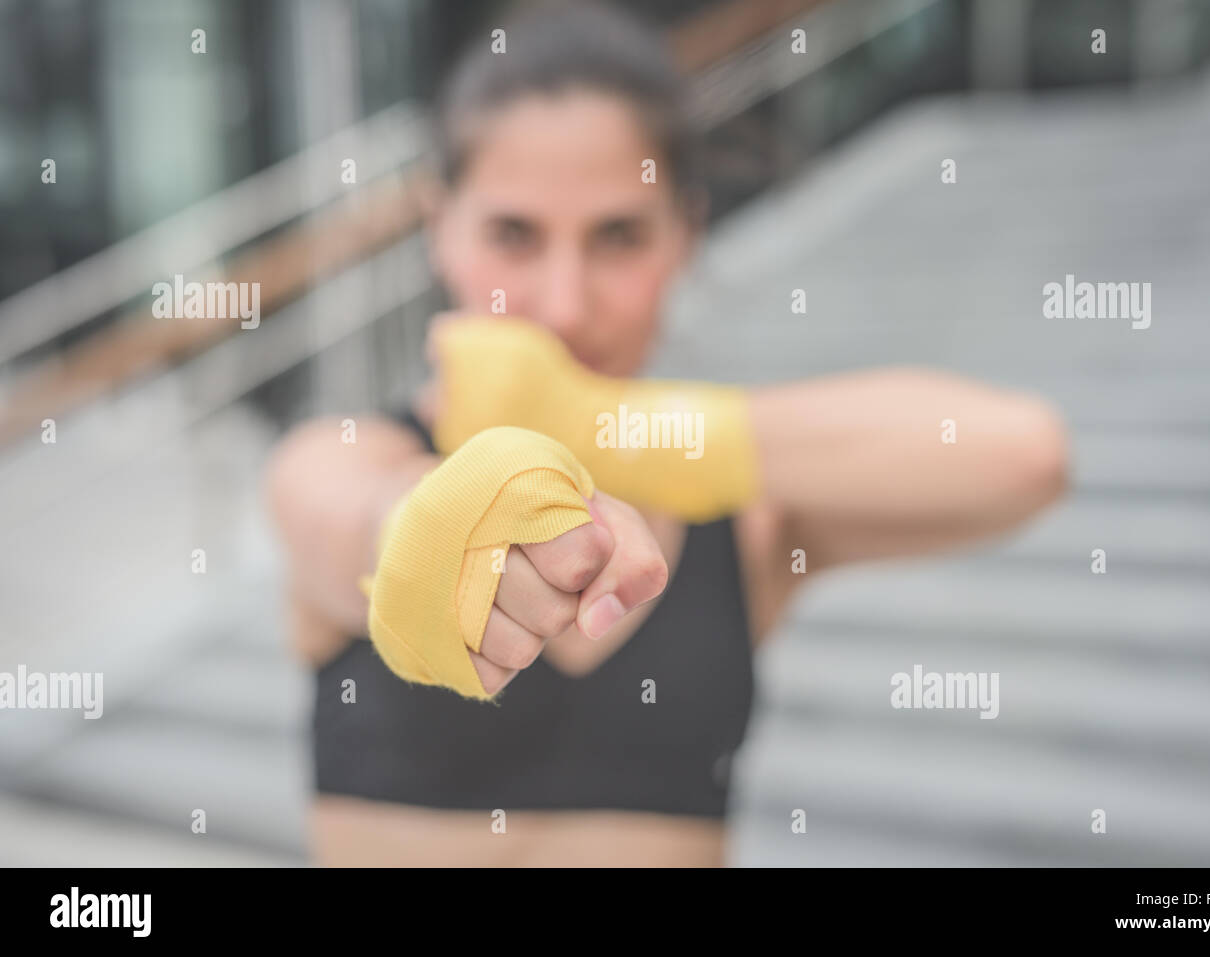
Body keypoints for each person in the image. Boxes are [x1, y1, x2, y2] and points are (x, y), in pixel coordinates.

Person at [263, 0, 1069, 867]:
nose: (564, 305)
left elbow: (1022, 457)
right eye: (513, 234)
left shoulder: (748, 519)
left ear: (685, 233)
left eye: (618, 236)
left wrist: (598, 429)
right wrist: (436, 531)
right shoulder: (348, 453)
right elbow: (356, 518)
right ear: (440, 229)